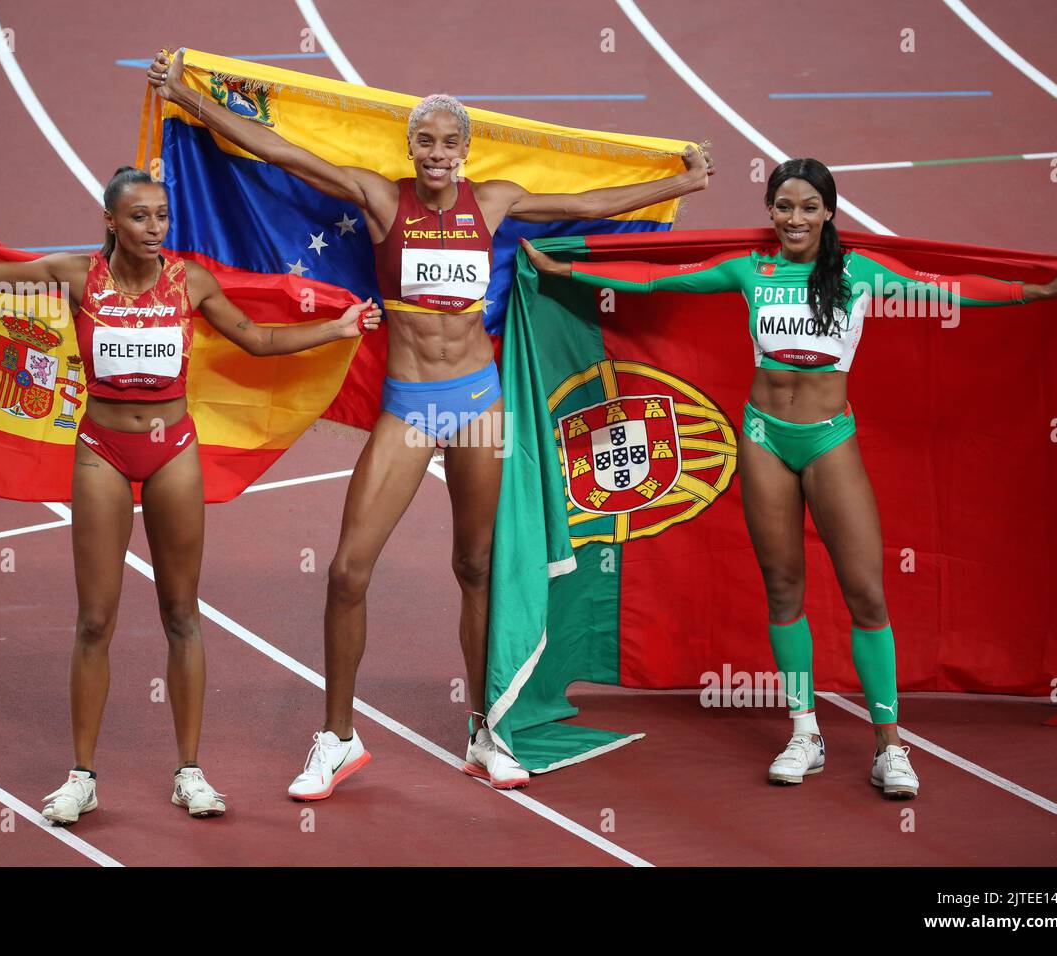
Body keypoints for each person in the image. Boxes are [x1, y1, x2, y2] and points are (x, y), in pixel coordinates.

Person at [147, 50, 714, 798]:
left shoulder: (496, 201)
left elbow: (596, 202)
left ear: (465, 151)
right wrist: (187, 96)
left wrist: (684, 181)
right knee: (348, 570)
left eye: (449, 142)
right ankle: (336, 738)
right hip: (411, 406)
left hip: (480, 402)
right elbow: (276, 149)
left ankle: (485, 730)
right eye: (426, 142)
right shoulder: (382, 199)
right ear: (411, 148)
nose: (437, 153)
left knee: (476, 567)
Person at [522, 157, 1057, 799]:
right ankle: (804, 732)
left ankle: (889, 745)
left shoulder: (857, 273)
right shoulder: (749, 270)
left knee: (866, 593)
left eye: (809, 207)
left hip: (828, 439)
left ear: (828, 213)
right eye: (784, 207)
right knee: (783, 587)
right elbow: (655, 280)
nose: (795, 219)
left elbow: (945, 287)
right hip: (762, 437)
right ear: (770, 212)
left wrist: (1030, 293)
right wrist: (568, 270)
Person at [0, 171, 379, 822]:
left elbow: (259, 339)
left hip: (173, 453)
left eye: (161, 216)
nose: (155, 229)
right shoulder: (76, 277)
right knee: (95, 620)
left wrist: (339, 328)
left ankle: (190, 772)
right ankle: (82, 776)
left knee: (181, 613)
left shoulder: (191, 282)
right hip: (101, 450)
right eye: (140, 218)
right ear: (111, 222)